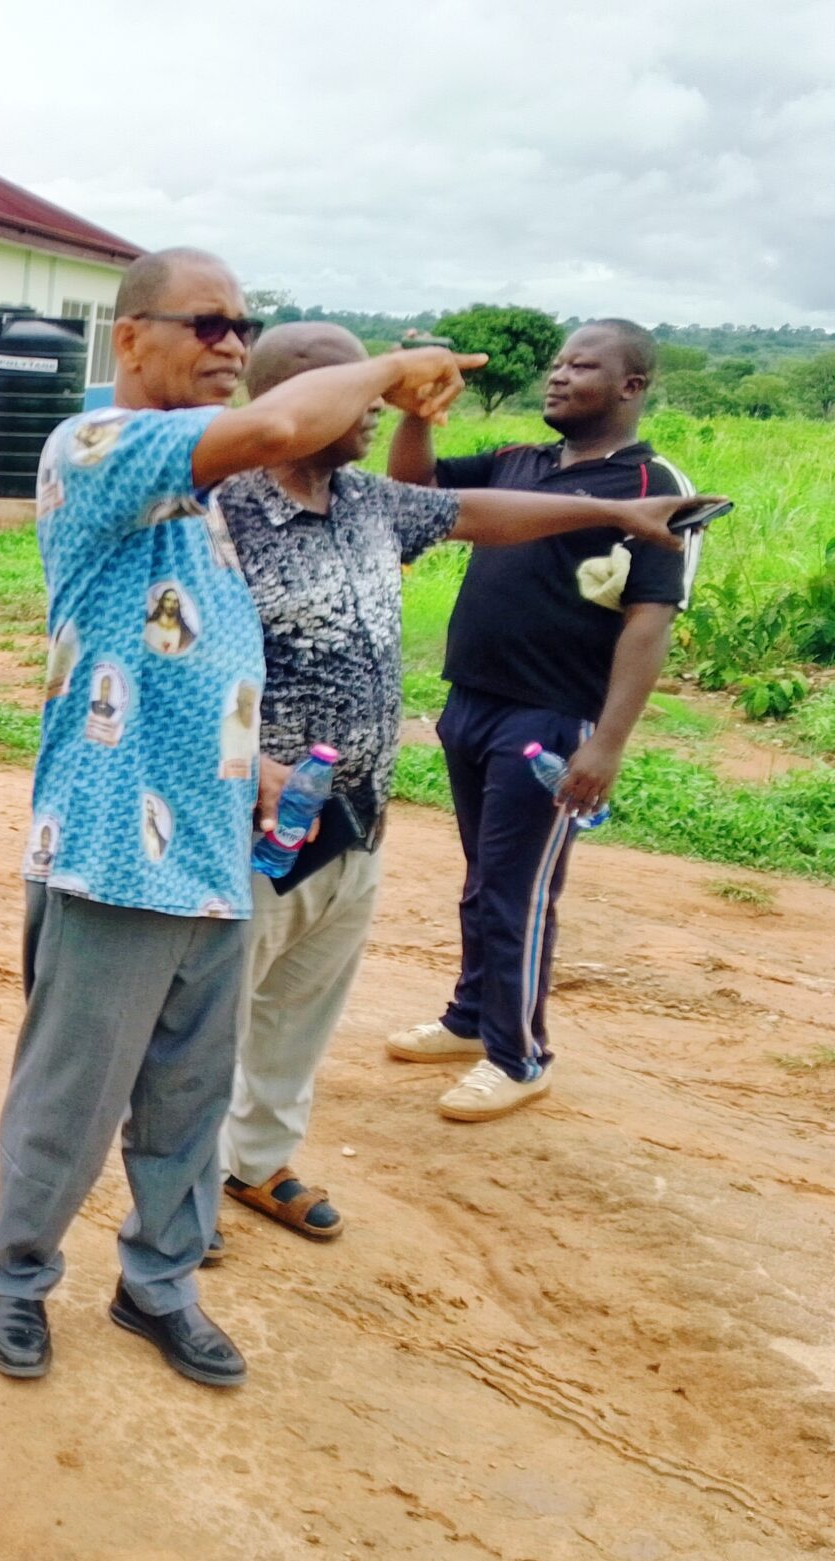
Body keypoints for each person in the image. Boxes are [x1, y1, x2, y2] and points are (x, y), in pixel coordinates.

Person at [0, 247, 482, 1388]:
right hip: (113, 855)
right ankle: (17, 1276)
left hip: (212, 850)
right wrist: (394, 368)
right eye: (207, 324)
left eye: (243, 327)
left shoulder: (202, 512)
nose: (233, 346)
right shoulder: (94, 446)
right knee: (71, 1102)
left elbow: (199, 657)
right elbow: (275, 427)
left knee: (191, 1104)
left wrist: (249, 767)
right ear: (131, 339)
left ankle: (157, 1286)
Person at [211, 324, 703, 1244]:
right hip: (253, 817)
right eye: (360, 391)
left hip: (356, 818)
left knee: (300, 1012)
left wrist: (618, 517)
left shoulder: (369, 502)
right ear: (297, 403)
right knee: (212, 1019)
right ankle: (180, 1193)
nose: (375, 407)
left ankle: (257, 1160)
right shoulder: (219, 513)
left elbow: (477, 512)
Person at [386, 320, 701, 1121]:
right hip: (471, 700)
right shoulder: (517, 461)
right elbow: (414, 492)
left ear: (632, 385)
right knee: (485, 878)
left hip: (552, 720)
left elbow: (650, 620)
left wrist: (607, 742)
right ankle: (470, 1018)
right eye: (558, 363)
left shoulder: (652, 484)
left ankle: (518, 1056)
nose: (558, 375)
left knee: (517, 891)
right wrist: (417, 411)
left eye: (581, 366)